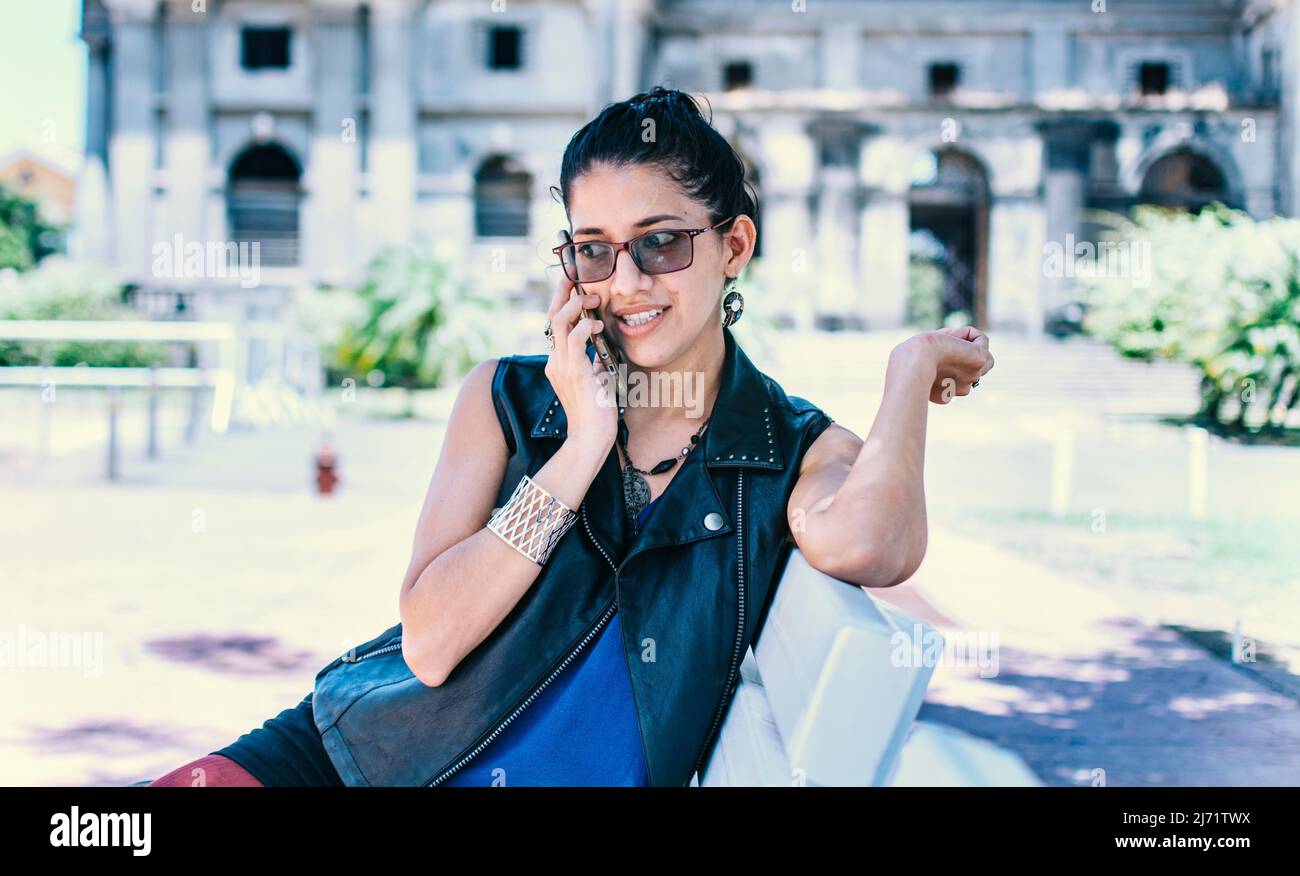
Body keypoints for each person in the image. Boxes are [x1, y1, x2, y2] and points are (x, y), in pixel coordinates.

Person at [148, 86, 993, 788]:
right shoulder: (508, 399)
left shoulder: (787, 446)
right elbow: (432, 645)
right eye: (596, 251)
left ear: (733, 245)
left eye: (660, 244)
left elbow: (877, 548)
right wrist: (582, 443)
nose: (625, 283)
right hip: (357, 757)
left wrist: (910, 373)